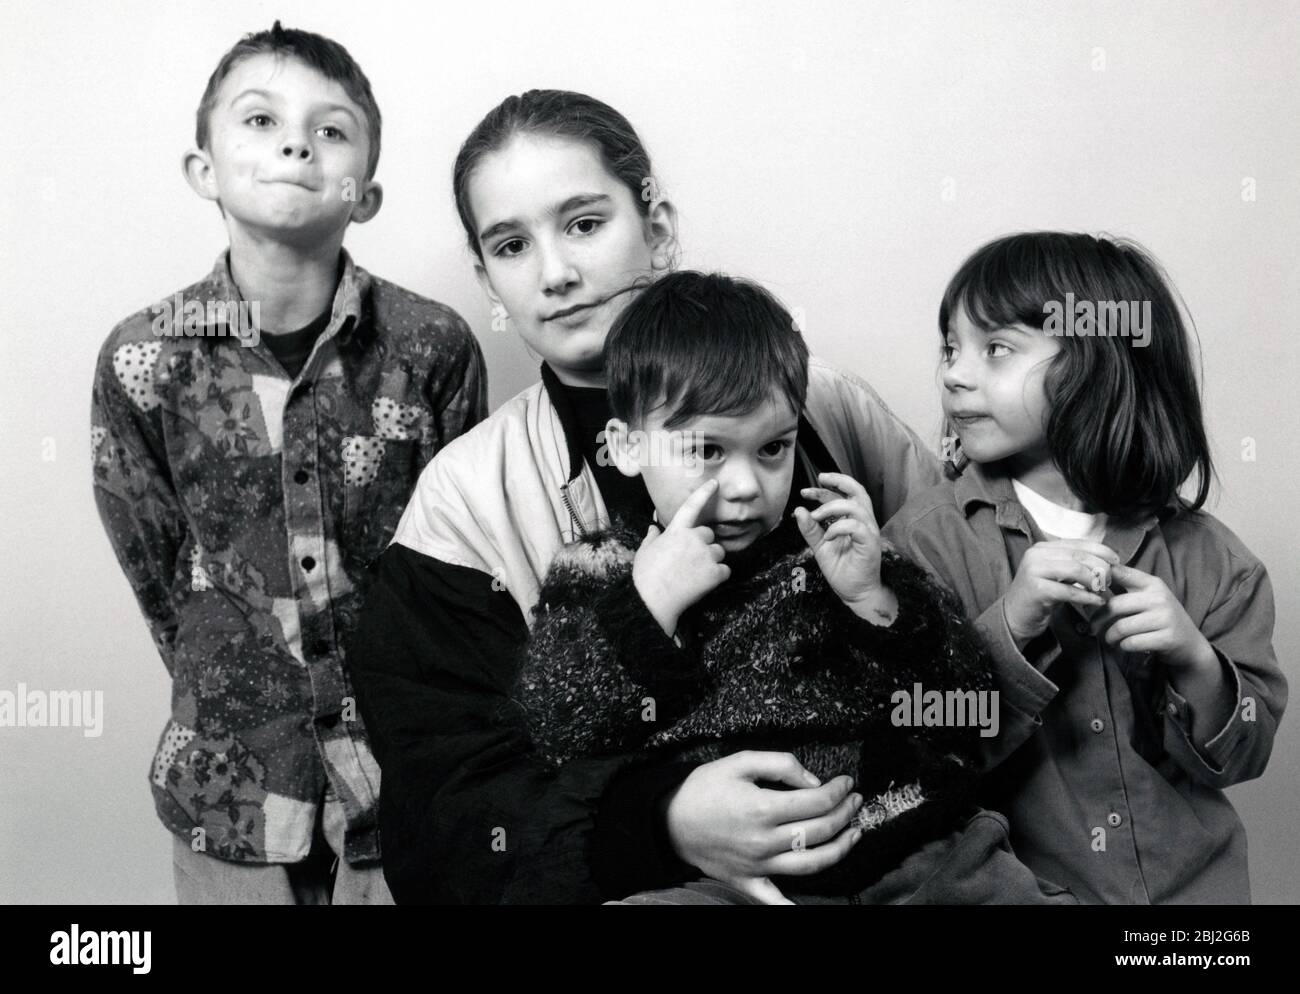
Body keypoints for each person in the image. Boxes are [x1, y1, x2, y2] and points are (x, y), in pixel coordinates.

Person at [348, 89, 944, 904]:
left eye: (585, 224)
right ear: (485, 278)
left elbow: (962, 654)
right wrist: (658, 822)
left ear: (657, 229)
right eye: (513, 246)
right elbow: (448, 806)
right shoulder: (461, 501)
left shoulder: (825, 406)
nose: (557, 273)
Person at [514, 270, 1074, 905]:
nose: (747, 485)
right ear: (626, 446)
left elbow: (963, 705)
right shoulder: (599, 570)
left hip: (914, 845)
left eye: (773, 448)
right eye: (706, 449)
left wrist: (874, 600)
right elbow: (559, 731)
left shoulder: (830, 550)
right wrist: (647, 607)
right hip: (735, 882)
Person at [91, 22, 486, 904]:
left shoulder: (434, 347)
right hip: (228, 785)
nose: (297, 143)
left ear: (368, 193)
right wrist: (238, 671)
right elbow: (159, 574)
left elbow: (460, 562)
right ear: (205, 172)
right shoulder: (141, 359)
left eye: (331, 129)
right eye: (260, 121)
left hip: (405, 775)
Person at [883, 231, 1287, 903]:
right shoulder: (925, 546)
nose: (954, 372)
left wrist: (1196, 661)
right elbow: (913, 751)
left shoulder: (1216, 561)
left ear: (1096, 366)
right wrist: (1011, 627)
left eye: (997, 350)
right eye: (951, 348)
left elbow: (1244, 755)